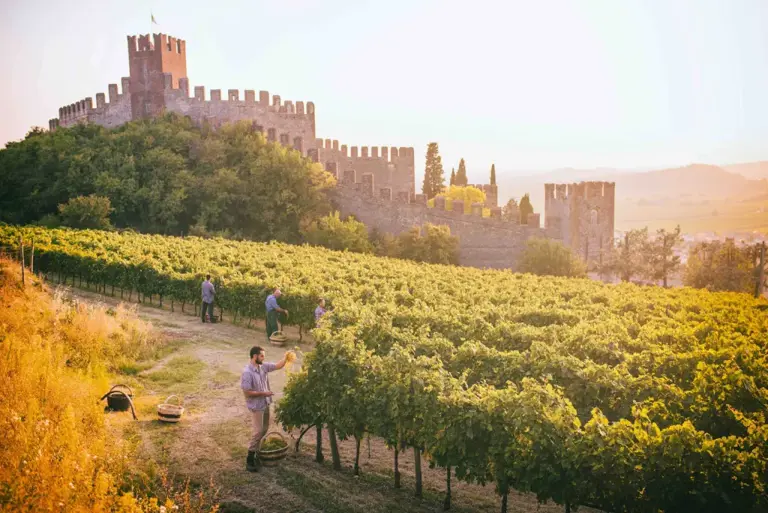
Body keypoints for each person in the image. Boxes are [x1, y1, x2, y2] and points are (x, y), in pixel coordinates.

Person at [240, 346, 289, 472]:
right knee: (258, 431)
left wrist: (286, 357)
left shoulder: (263, 367)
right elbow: (247, 392)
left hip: (265, 403)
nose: (263, 358)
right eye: (261, 356)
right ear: (254, 356)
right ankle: (249, 459)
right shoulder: (247, 372)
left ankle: (257, 452)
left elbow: (278, 365)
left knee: (265, 429)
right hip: (257, 406)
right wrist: (263, 393)